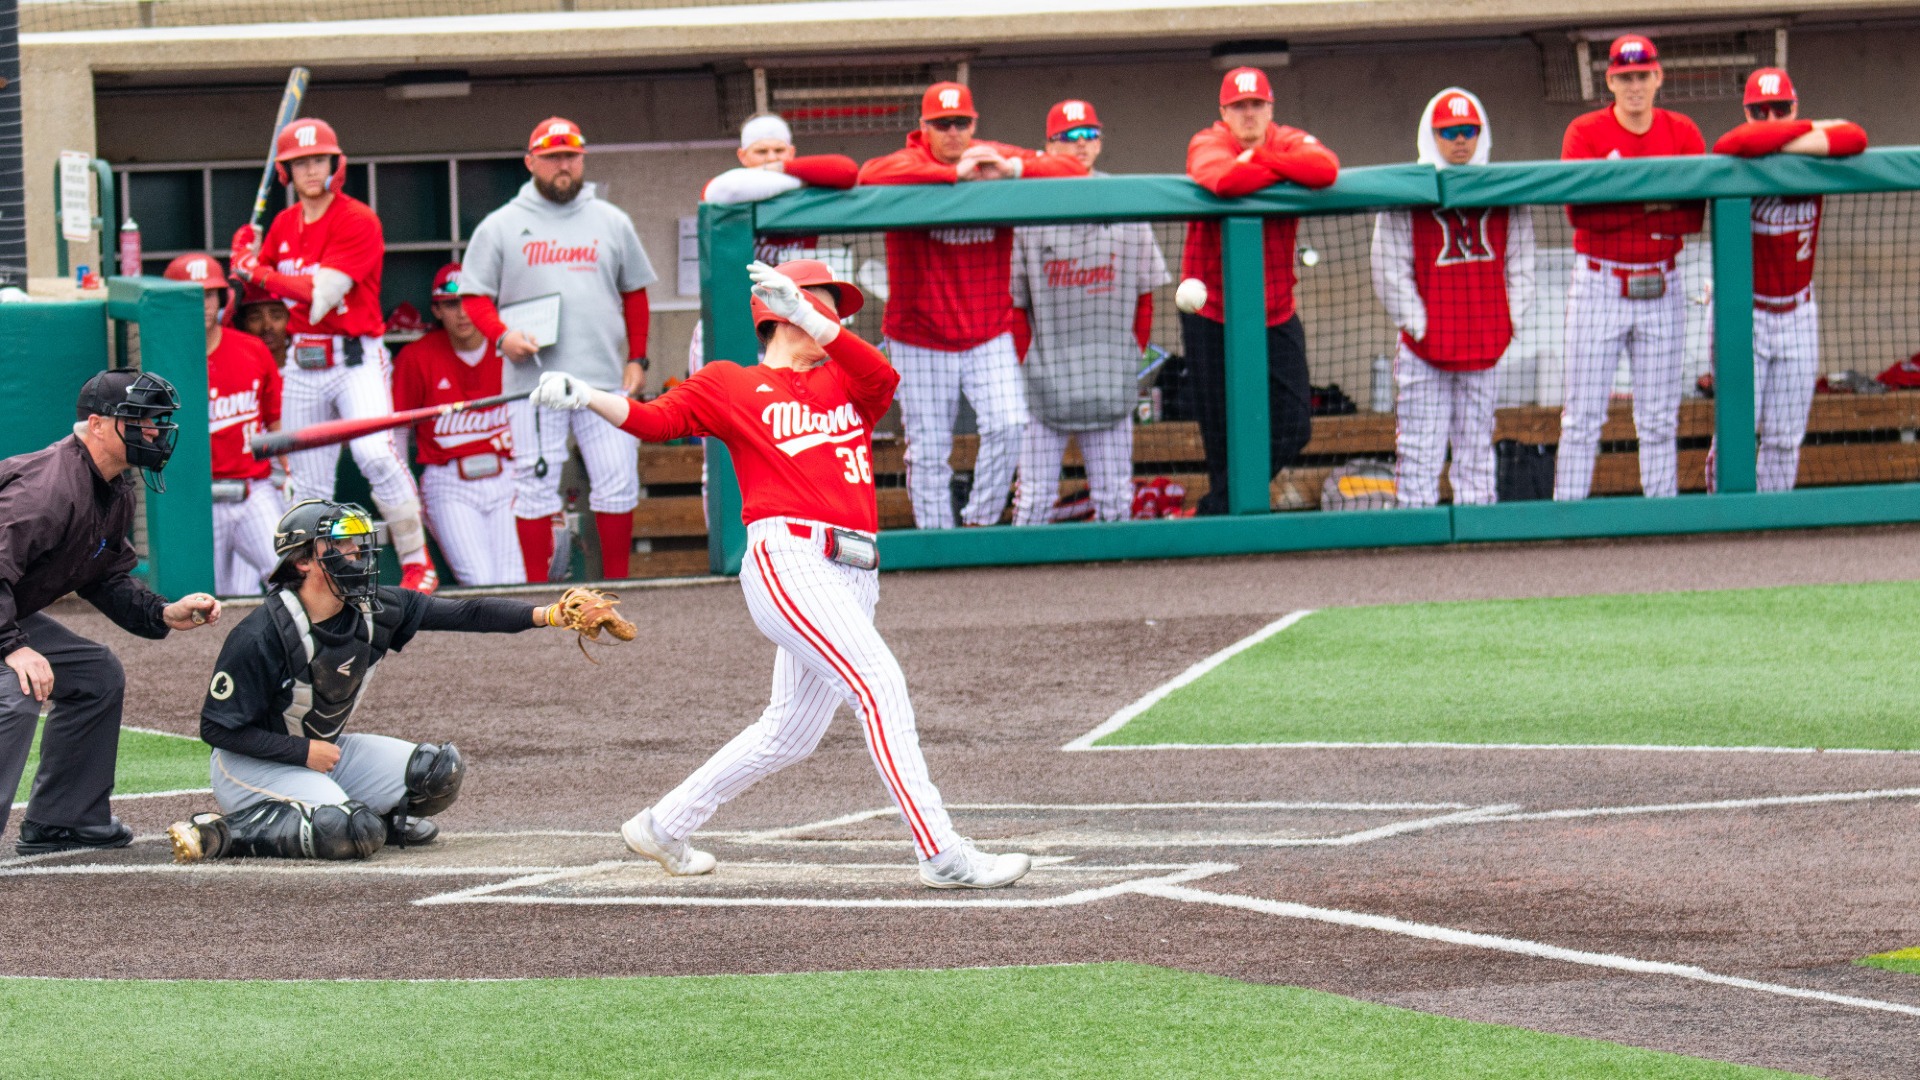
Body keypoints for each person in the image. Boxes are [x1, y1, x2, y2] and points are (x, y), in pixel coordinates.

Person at [529, 259, 1032, 889]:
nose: (834, 317)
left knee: (790, 733)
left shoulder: (847, 382)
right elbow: (656, 421)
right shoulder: (730, 383)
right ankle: (942, 853)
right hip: (788, 558)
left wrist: (805, 312)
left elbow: (884, 374)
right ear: (775, 312)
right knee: (879, 685)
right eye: (820, 303)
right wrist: (588, 393)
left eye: (827, 308)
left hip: (854, 569)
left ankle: (663, 825)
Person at [166, 500, 633, 862]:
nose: (357, 554)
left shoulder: (378, 607)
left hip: (320, 754)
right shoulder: (261, 633)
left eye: (358, 543)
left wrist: (549, 614)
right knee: (347, 833)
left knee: (436, 773)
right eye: (342, 545)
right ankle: (223, 832)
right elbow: (218, 730)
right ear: (303, 561)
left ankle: (370, 821)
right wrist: (302, 753)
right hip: (249, 766)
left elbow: (465, 612)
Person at [0, 371, 222, 854]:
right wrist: (13, 648)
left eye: (155, 422)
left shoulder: (111, 486)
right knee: (17, 690)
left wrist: (163, 612)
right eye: (139, 421)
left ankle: (64, 820)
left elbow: (102, 575)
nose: (154, 432)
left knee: (96, 674)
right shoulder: (47, 490)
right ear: (97, 425)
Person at [858, 82, 1088, 529]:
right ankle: (937, 535)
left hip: (987, 332)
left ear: (973, 123)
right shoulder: (911, 161)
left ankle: (979, 522)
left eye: (960, 123)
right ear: (923, 127)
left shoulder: (989, 155)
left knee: (1008, 426)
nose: (952, 133)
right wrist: (954, 176)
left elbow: (1072, 170)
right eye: (941, 125)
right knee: (928, 450)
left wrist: (1012, 168)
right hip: (918, 336)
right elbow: (871, 173)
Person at [229, 118, 437, 591]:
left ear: (334, 164)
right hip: (302, 362)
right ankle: (321, 579)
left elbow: (320, 296)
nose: (310, 169)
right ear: (286, 170)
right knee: (309, 484)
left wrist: (256, 271)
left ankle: (417, 563)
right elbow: (273, 295)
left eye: (318, 159)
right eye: (300, 162)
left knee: (375, 455)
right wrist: (248, 262)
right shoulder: (282, 226)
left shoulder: (358, 219)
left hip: (355, 358)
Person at [460, 117, 657, 583]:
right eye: (552, 158)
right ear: (531, 163)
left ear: (582, 159)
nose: (562, 166)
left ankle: (615, 587)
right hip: (534, 380)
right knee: (533, 486)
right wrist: (502, 335)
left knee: (617, 483)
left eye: (570, 156)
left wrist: (638, 357)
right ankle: (536, 593)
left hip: (604, 377)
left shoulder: (612, 221)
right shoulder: (501, 224)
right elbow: (473, 295)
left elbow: (635, 292)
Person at [1180, 66, 1339, 515]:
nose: (1248, 115)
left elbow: (1325, 169)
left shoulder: (1285, 139)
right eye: (1238, 106)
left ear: (1270, 108)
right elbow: (1223, 180)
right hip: (1211, 312)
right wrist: (1283, 173)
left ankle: (1215, 510)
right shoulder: (1208, 140)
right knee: (1220, 432)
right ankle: (1227, 527)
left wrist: (1262, 162)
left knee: (1294, 424)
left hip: (1274, 309)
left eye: (1256, 105)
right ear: (1223, 112)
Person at [1555, 36, 1706, 501]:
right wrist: (1654, 202)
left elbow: (1692, 217)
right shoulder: (1584, 131)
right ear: (1611, 81)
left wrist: (1620, 200)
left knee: (1659, 417)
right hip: (1599, 282)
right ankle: (1567, 518)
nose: (1635, 85)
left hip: (1662, 282)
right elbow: (1579, 214)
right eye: (1625, 77)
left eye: (1643, 76)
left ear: (1658, 77)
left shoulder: (1682, 130)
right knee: (1582, 417)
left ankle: (1661, 515)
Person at [1370, 89, 1537, 508]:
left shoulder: (1506, 192)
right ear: (1432, 135)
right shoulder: (1406, 192)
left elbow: (1522, 266)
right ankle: (1417, 536)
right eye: (1449, 133)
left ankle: (1478, 535)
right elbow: (1389, 271)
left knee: (1476, 450)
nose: (1460, 140)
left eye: (1468, 131)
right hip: (1424, 352)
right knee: (1419, 451)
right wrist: (1421, 325)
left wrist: (1506, 324)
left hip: (1484, 347)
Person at [1009, 100, 1170, 525]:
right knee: (1033, 501)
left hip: (1109, 376)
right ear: (1048, 145)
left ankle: (1117, 585)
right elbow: (1015, 306)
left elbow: (1145, 296)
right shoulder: (1027, 206)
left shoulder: (1123, 200)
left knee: (1116, 499)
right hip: (1046, 381)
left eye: (1090, 135)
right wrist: (1028, 364)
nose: (1081, 145)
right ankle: (1021, 584)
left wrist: (1130, 356)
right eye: (1069, 137)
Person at [1711, 68, 1868, 492]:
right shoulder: (1737, 159)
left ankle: (1773, 524)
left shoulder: (1812, 159)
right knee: (1735, 436)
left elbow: (1855, 136)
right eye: (1760, 112)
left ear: (1795, 107)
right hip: (1747, 312)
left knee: (1784, 437)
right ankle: (1725, 521)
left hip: (1798, 311)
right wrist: (1806, 133)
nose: (1771, 117)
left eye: (1781, 109)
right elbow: (1731, 143)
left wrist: (1785, 137)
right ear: (1746, 112)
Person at [690, 112, 860, 375]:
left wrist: (776, 172)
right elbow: (721, 189)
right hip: (734, 324)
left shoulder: (801, 186)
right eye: (761, 152)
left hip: (792, 326)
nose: (771, 157)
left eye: (779, 150)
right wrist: (799, 177)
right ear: (742, 156)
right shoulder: (730, 189)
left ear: (792, 152)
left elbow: (846, 170)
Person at [391, 264, 524, 586]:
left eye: (471, 301)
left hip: (508, 476)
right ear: (436, 309)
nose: (463, 313)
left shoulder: (512, 350)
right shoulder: (416, 356)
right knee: (480, 580)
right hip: (449, 481)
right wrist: (403, 494)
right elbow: (397, 433)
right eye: (451, 304)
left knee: (516, 580)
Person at [166, 253, 286, 595]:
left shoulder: (253, 350)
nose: (202, 304)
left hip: (253, 491)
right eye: (192, 294)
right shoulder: (163, 360)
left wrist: (286, 475)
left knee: (295, 582)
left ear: (222, 298)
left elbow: (275, 425)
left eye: (209, 294)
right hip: (197, 499)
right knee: (207, 602)